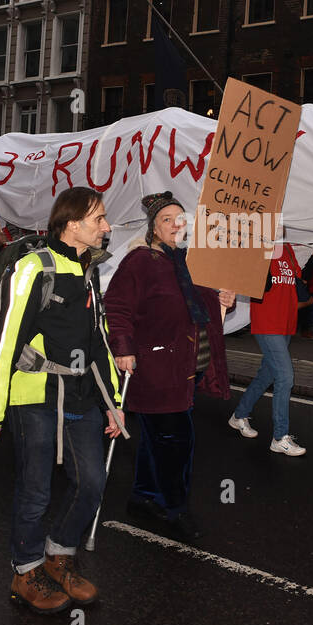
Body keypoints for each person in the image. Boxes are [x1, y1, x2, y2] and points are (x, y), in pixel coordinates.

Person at [0, 187, 124, 614]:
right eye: (99, 219)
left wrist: (112, 400)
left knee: (93, 481)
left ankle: (59, 557)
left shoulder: (89, 270)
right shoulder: (33, 268)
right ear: (72, 223)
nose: (107, 227)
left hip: (80, 394)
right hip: (35, 394)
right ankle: (25, 571)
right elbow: (4, 346)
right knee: (36, 490)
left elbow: (100, 342)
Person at [104, 192, 235, 541]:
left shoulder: (189, 260)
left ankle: (144, 496)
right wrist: (123, 348)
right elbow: (116, 306)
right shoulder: (140, 261)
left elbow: (202, 306)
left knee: (155, 438)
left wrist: (222, 297)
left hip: (188, 369)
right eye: (167, 219)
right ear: (153, 228)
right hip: (157, 368)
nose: (177, 224)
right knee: (177, 441)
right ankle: (174, 508)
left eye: (181, 218)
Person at [227, 233, 313, 456]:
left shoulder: (286, 249)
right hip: (267, 323)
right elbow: (259, 285)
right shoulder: (259, 248)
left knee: (267, 374)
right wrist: (261, 250)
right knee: (285, 376)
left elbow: (300, 280)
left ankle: (239, 415)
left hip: (286, 324)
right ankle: (280, 437)